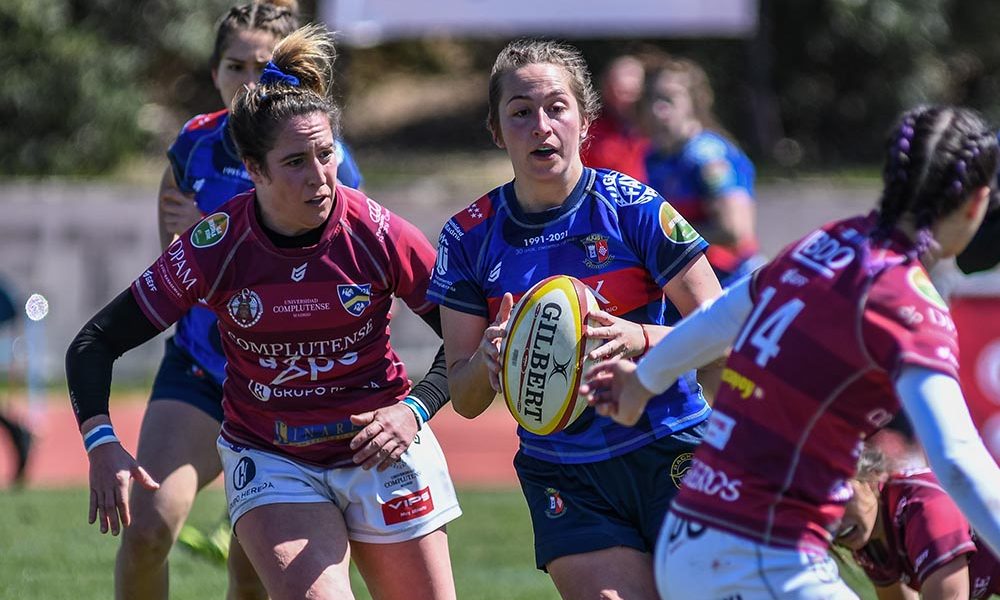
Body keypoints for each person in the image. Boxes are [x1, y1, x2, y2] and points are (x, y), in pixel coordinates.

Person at [66, 24, 460, 600]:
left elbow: (461, 339)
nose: (320, 176)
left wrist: (413, 411)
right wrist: (101, 442)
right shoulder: (215, 245)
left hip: (382, 448)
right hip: (273, 457)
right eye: (296, 161)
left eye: (326, 155)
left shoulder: (380, 233)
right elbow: (94, 341)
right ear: (254, 170)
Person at [583, 105, 1000, 599]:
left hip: (688, 539)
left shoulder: (829, 240)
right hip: (762, 557)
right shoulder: (910, 302)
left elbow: (721, 317)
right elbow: (954, 459)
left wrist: (642, 381)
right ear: (977, 203)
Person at [428, 39, 723, 600]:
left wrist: (639, 336)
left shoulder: (634, 207)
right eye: (520, 112)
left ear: (585, 120)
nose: (541, 125)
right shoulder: (467, 238)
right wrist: (488, 360)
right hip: (564, 471)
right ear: (497, 130)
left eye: (556, 107)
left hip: (669, 444)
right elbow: (465, 399)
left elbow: (723, 329)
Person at [641, 56, 762, 286]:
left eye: (668, 99)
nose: (658, 110)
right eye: (652, 99)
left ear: (694, 102)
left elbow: (735, 230)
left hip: (733, 284)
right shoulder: (654, 157)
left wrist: (661, 238)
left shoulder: (708, 157)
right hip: (692, 282)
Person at [836, 444, 1000, 599]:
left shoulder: (924, 508)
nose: (834, 519)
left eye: (841, 497)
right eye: (817, 508)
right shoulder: (869, 531)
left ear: (871, 478)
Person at [580, 54, 649, 180]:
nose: (623, 99)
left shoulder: (654, 130)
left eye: (630, 92)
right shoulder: (589, 130)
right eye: (617, 90)